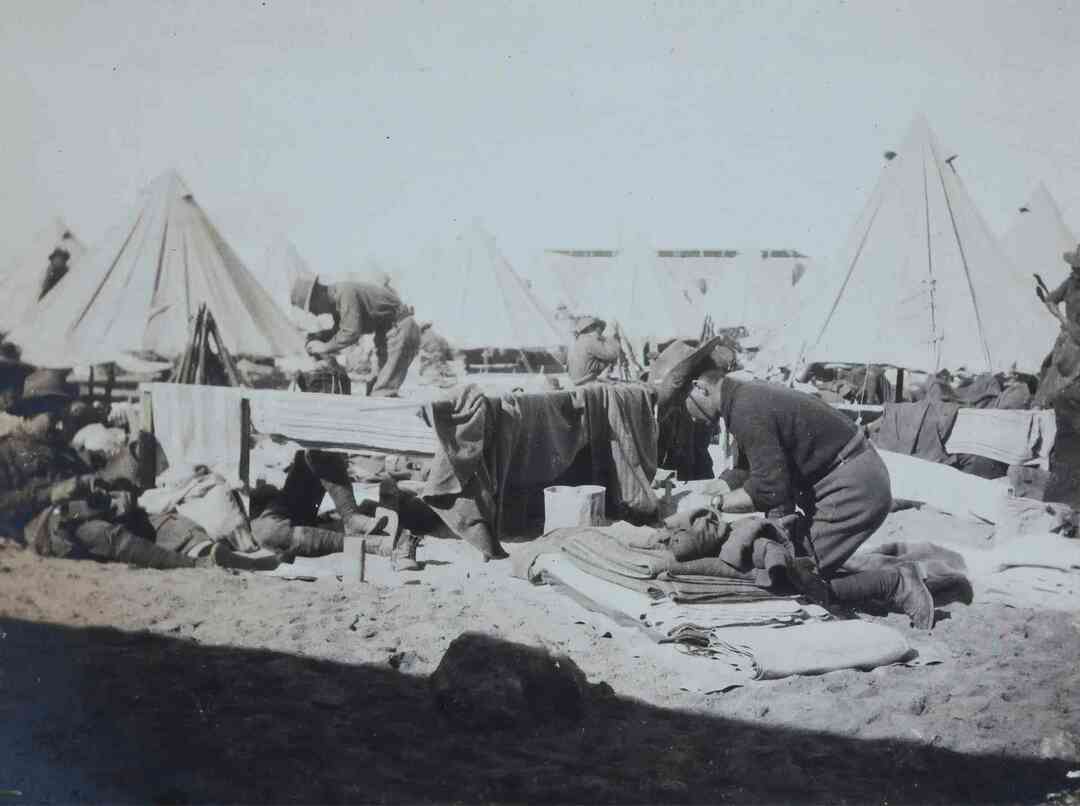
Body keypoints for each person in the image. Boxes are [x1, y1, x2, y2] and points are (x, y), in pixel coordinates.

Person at [661, 344, 941, 629]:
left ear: (699, 387)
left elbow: (770, 488)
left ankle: (895, 582)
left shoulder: (745, 407)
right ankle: (879, 573)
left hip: (853, 488)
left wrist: (714, 505)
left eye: (683, 402)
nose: (688, 415)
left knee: (790, 578)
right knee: (795, 557)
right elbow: (750, 469)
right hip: (847, 479)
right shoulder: (742, 397)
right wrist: (715, 487)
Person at [0, 369, 272, 571]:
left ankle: (212, 553)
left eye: (63, 418)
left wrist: (115, 494)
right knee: (90, 526)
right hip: (47, 529)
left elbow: (90, 482)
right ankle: (191, 565)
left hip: (85, 513)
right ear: (29, 413)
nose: (61, 427)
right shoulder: (7, 451)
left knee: (149, 516)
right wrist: (51, 494)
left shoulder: (62, 448)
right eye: (52, 419)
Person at [290, 272, 420, 397]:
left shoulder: (345, 294)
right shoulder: (339, 301)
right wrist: (320, 336)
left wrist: (324, 347)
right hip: (389, 332)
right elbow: (341, 330)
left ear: (318, 294)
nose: (316, 314)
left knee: (382, 392)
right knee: (374, 388)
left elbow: (351, 333)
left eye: (312, 308)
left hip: (399, 329)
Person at [567, 316, 623, 385]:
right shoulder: (590, 340)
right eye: (598, 327)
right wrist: (613, 338)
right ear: (590, 328)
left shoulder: (577, 341)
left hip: (576, 380)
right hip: (587, 381)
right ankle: (605, 376)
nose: (601, 331)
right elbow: (613, 354)